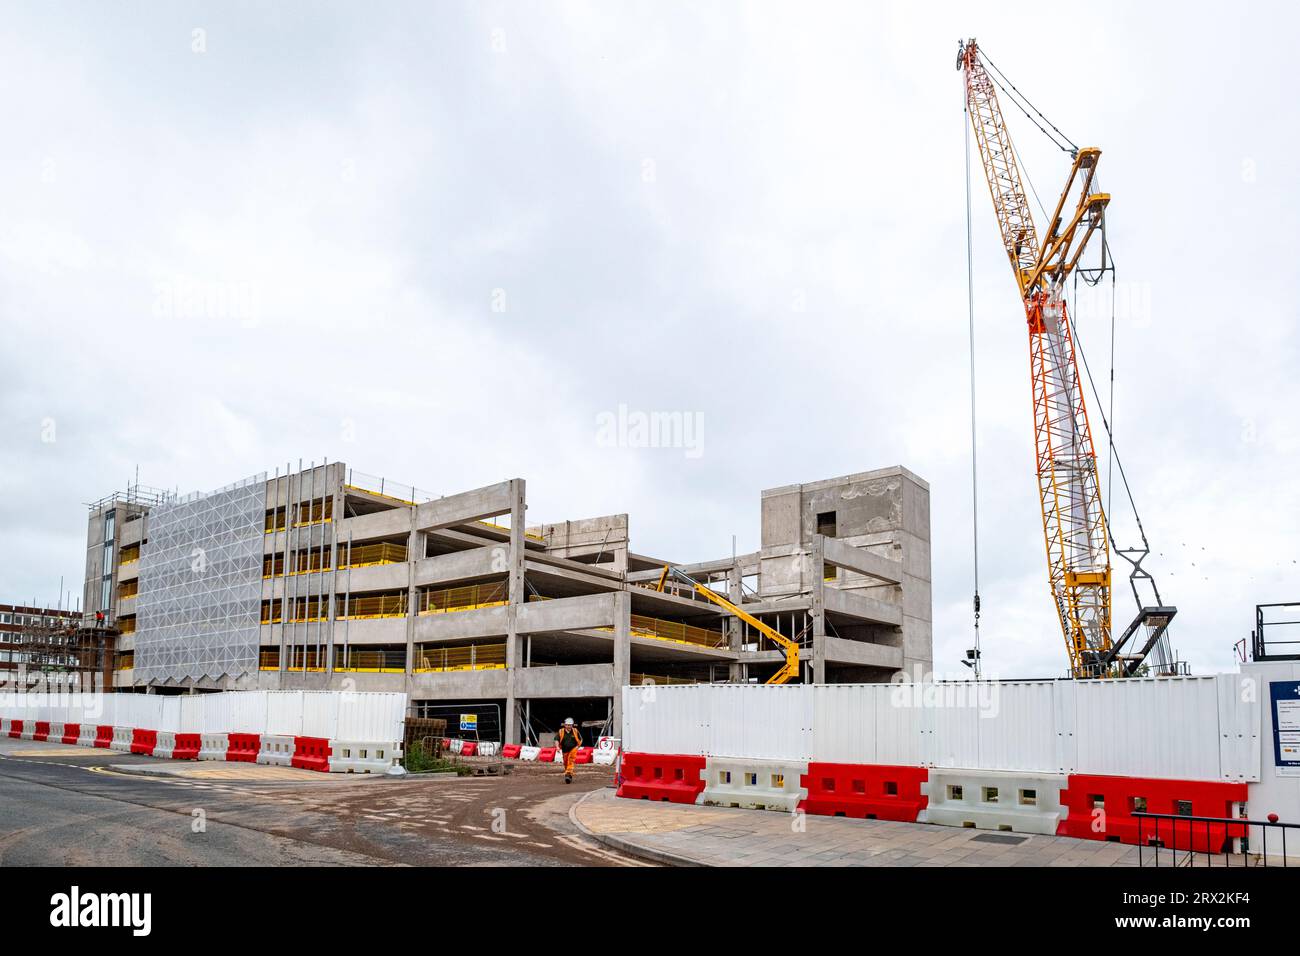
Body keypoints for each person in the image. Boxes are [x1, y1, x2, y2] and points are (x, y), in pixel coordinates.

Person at [556, 717, 582, 783]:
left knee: (571, 760)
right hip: (564, 750)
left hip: (573, 749)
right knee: (565, 763)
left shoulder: (575, 731)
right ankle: (569, 775)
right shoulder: (561, 731)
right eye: (567, 725)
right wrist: (557, 747)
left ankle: (567, 774)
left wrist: (577, 746)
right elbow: (556, 740)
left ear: (572, 725)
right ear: (565, 725)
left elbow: (581, 739)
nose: (569, 726)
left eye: (570, 725)